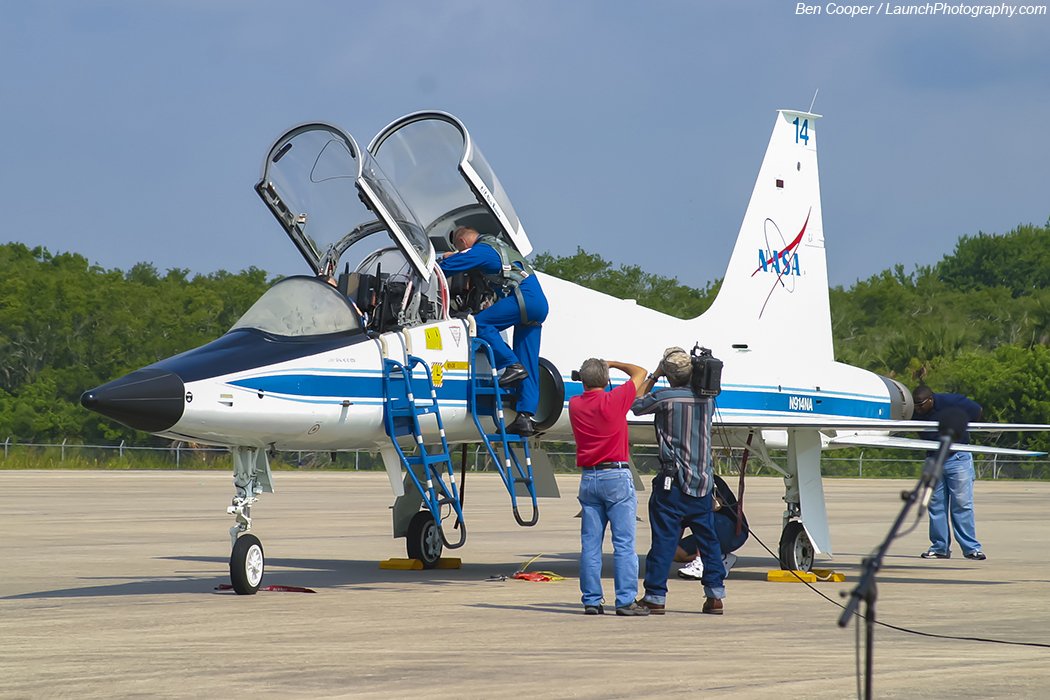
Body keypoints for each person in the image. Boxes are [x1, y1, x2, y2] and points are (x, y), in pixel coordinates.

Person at [632, 347, 726, 615]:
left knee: (663, 540)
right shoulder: (708, 400)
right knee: (708, 542)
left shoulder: (664, 396)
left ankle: (655, 597)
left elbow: (636, 404)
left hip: (672, 485)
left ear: (669, 374)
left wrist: (654, 374)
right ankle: (715, 595)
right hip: (703, 483)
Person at [438, 226, 549, 436]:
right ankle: (525, 417)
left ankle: (509, 364)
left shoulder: (484, 249)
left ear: (462, 241)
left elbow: (449, 267)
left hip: (524, 298)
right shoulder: (501, 249)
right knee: (529, 362)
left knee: (479, 324)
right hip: (538, 303)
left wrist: (443, 259)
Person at [568, 358, 650, 617]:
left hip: (588, 479)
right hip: (615, 475)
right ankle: (625, 600)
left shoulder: (575, 404)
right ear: (605, 380)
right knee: (624, 543)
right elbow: (641, 372)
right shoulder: (614, 400)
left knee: (590, 545)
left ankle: (591, 600)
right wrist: (613, 363)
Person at [912, 385, 986, 560]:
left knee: (962, 504)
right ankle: (940, 547)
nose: (918, 409)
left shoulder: (952, 401)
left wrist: (963, 427)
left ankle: (971, 548)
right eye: (915, 406)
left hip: (957, 457)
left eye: (921, 405)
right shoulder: (914, 411)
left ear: (930, 400)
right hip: (933, 458)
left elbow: (977, 410)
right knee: (935, 505)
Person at [675, 473, 749, 580]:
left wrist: (693, 505)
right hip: (709, 533)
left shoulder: (711, 481)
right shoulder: (679, 485)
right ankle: (720, 558)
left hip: (732, 531)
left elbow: (716, 505)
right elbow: (679, 524)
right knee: (675, 553)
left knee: (703, 515)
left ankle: (701, 562)